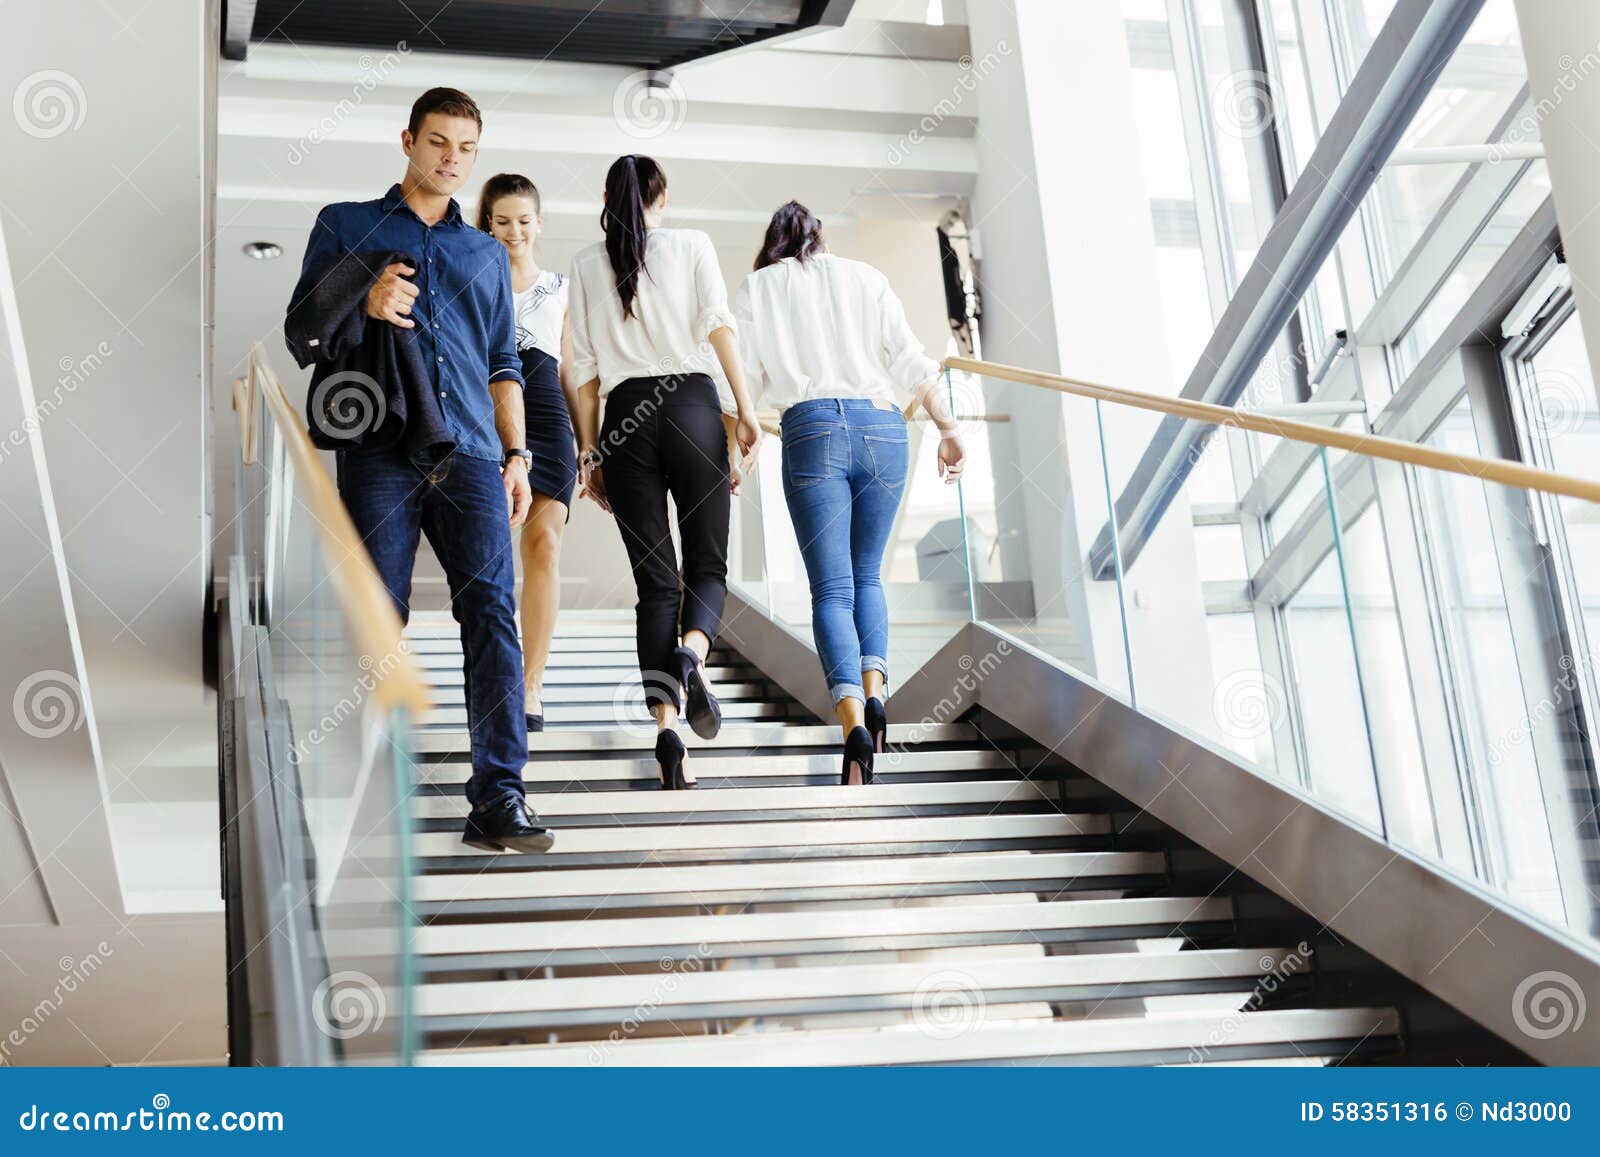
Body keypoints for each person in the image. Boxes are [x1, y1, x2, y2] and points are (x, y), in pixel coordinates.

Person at [286, 87, 554, 853]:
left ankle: (500, 798)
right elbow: (302, 329)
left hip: (471, 453)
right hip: (381, 451)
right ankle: (356, 793)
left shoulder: (483, 252)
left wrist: (517, 454)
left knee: (493, 618)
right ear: (408, 140)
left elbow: (504, 364)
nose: (453, 159)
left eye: (467, 148)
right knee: (378, 618)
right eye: (439, 142)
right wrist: (361, 298)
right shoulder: (346, 224)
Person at [733, 201, 965, 786]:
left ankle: (853, 727)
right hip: (886, 428)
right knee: (868, 578)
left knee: (832, 590)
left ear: (773, 244)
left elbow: (741, 378)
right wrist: (948, 427)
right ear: (820, 237)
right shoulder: (866, 278)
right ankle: (877, 690)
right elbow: (914, 360)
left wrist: (739, 429)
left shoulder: (759, 287)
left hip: (811, 429)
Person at [569, 154, 761, 790]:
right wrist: (745, 413)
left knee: (657, 585)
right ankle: (692, 654)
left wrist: (590, 452)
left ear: (606, 195)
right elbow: (719, 326)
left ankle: (667, 731)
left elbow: (583, 371)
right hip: (691, 406)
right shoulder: (691, 244)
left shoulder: (584, 262)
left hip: (625, 417)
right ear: (664, 196)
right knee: (706, 566)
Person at [478, 173, 578, 733]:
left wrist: (590, 447)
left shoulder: (563, 286)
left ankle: (531, 683)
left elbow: (570, 370)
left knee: (543, 545)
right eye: (501, 220)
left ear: (538, 222)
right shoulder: (473, 280)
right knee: (491, 554)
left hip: (546, 416)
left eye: (523, 219)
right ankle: (496, 672)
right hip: (487, 416)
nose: (513, 230)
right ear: (486, 224)